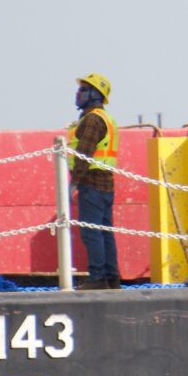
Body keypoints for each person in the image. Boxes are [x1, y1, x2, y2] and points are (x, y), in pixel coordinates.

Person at [67, 72, 120, 288]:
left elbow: (84, 154)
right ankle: (111, 278)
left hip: (91, 183)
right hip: (106, 184)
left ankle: (98, 278)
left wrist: (73, 184)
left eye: (82, 90)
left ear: (94, 95)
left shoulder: (92, 120)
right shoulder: (106, 119)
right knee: (105, 231)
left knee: (91, 232)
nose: (78, 94)